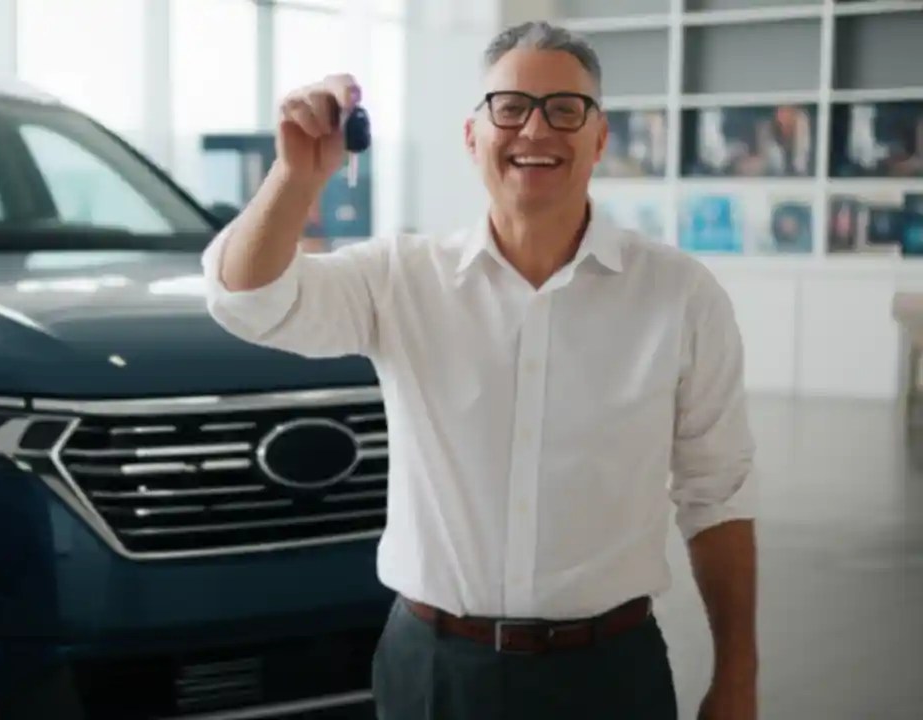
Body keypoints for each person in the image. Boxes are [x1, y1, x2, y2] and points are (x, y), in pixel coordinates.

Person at [201, 20, 758, 720]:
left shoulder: (679, 294)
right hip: (435, 671)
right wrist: (295, 177)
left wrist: (737, 677)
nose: (535, 130)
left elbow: (719, 494)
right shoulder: (400, 277)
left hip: (610, 675)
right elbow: (246, 301)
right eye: (510, 107)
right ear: (473, 136)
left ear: (600, 138)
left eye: (564, 109)